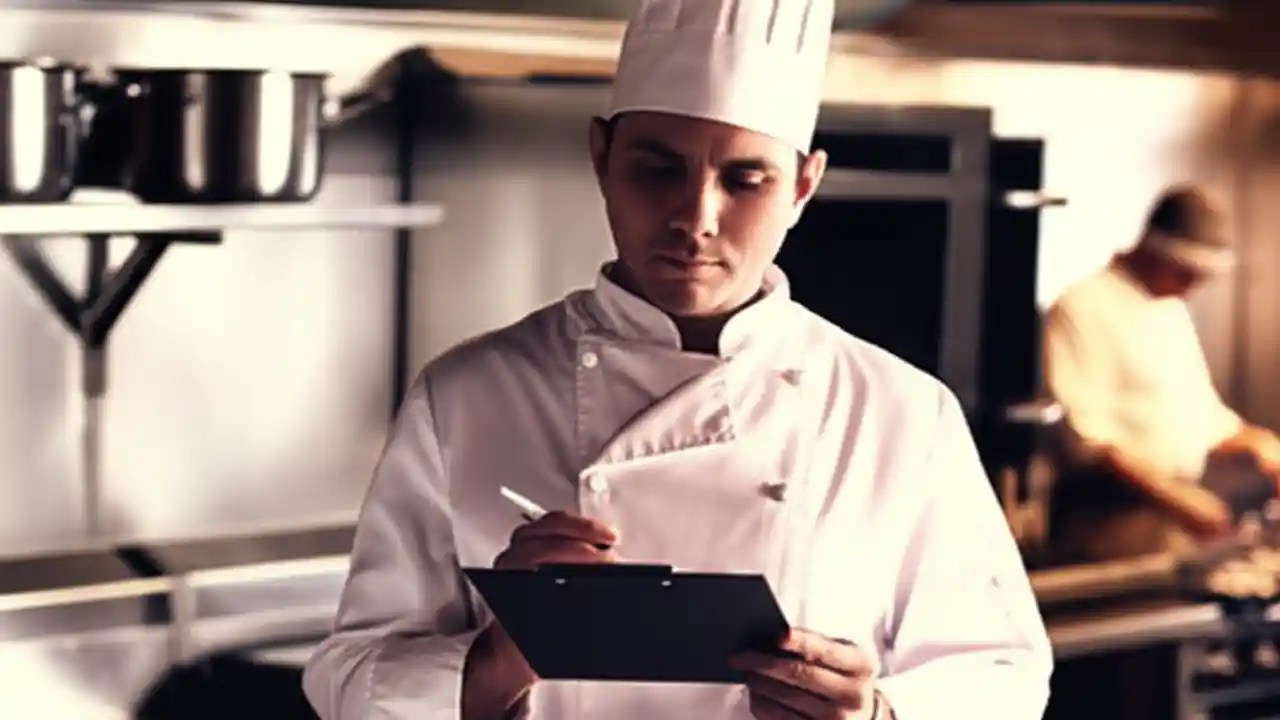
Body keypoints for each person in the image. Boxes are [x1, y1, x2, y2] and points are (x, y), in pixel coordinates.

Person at [302, 0, 1053, 718]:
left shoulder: (898, 411)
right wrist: (503, 656)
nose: (695, 218)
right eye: (658, 170)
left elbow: (1003, 675)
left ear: (803, 186)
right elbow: (344, 683)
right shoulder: (468, 396)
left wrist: (877, 712)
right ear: (602, 157)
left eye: (745, 180)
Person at [1043, 185, 1280, 562]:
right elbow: (1088, 439)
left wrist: (1259, 443)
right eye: (1187, 274)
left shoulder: (1169, 309)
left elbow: (1200, 416)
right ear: (1154, 252)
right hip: (1107, 521)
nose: (1193, 288)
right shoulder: (1081, 306)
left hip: (1167, 523)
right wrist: (1175, 497)